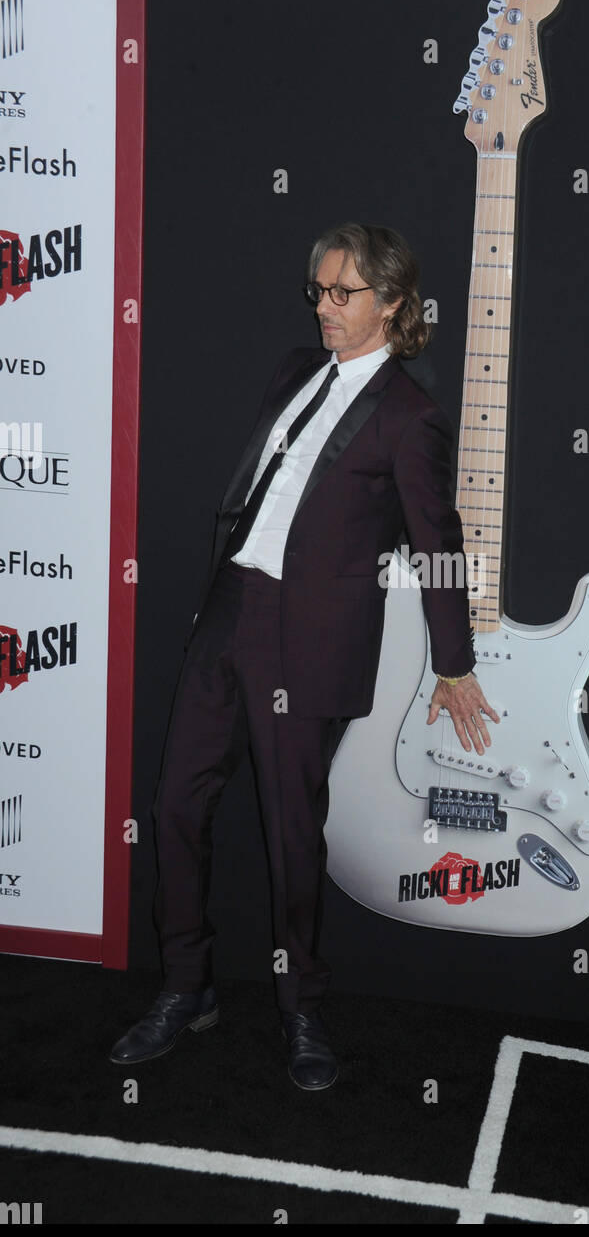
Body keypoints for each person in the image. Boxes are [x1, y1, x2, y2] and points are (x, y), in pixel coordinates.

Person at [110, 223, 499, 1089]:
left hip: (308, 639)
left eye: (341, 293)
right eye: (317, 291)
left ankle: (302, 1014)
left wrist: (453, 660)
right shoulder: (294, 369)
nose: (323, 306)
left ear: (392, 304)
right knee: (176, 806)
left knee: (290, 834)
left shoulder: (411, 418)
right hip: (230, 613)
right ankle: (185, 987)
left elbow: (439, 539)